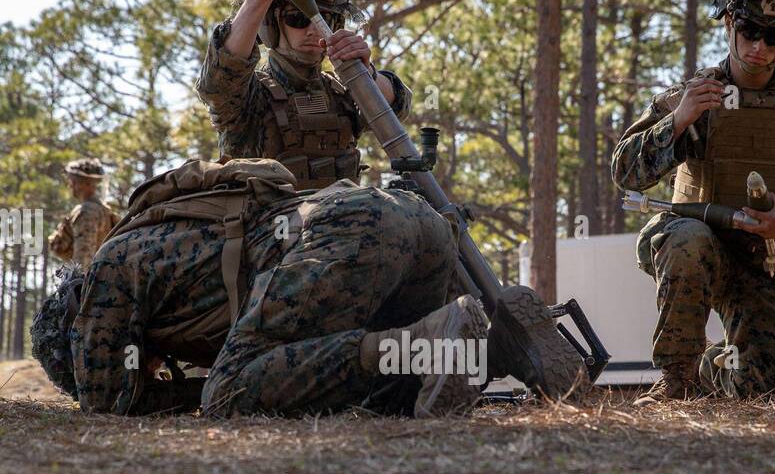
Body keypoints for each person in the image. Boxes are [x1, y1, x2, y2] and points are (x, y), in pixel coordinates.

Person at [31, 160, 487, 421]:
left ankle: (427, 343)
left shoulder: (105, 277)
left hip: (348, 235)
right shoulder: (158, 242)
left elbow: (105, 401)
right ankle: (491, 338)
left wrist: (191, 391)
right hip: (419, 224)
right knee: (386, 400)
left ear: (78, 331)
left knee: (225, 392)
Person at [611, 0, 775, 400]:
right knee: (688, 240)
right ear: (729, 21)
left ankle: (712, 371)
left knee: (774, 385)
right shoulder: (693, 96)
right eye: (749, 30)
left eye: (774, 37)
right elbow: (626, 172)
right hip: (690, 241)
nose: (759, 47)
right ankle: (678, 378)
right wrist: (676, 123)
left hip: (760, 258)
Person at [195, 0, 411, 191]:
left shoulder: (341, 93)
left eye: (327, 20)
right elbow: (218, 83)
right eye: (296, 18)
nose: (313, 31)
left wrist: (367, 74)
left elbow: (398, 105)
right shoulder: (249, 97)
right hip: (268, 227)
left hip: (342, 225)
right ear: (271, 26)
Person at [47, 157, 116, 271]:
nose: (70, 185)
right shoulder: (103, 210)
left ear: (88, 184)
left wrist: (78, 284)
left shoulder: (87, 211)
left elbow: (83, 256)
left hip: (90, 283)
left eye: (74, 181)